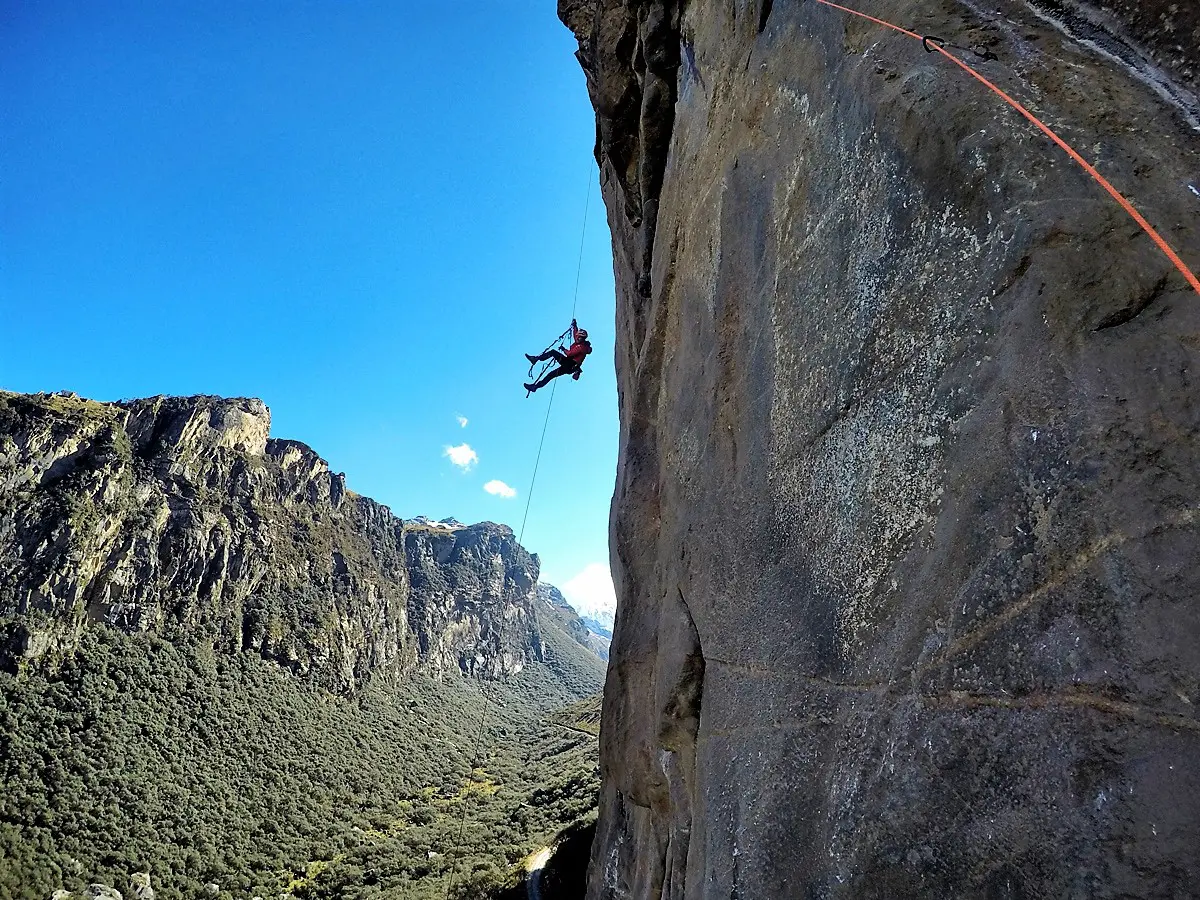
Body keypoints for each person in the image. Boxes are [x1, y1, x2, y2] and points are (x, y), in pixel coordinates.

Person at [523, 320, 591, 393]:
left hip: (570, 364)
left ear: (582, 338)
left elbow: (570, 354)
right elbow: (575, 334)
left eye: (579, 337)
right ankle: (535, 387)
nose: (577, 338)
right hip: (570, 367)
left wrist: (564, 349)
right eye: (577, 337)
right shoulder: (579, 342)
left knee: (553, 352)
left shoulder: (581, 347)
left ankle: (535, 359)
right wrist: (575, 326)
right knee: (551, 375)